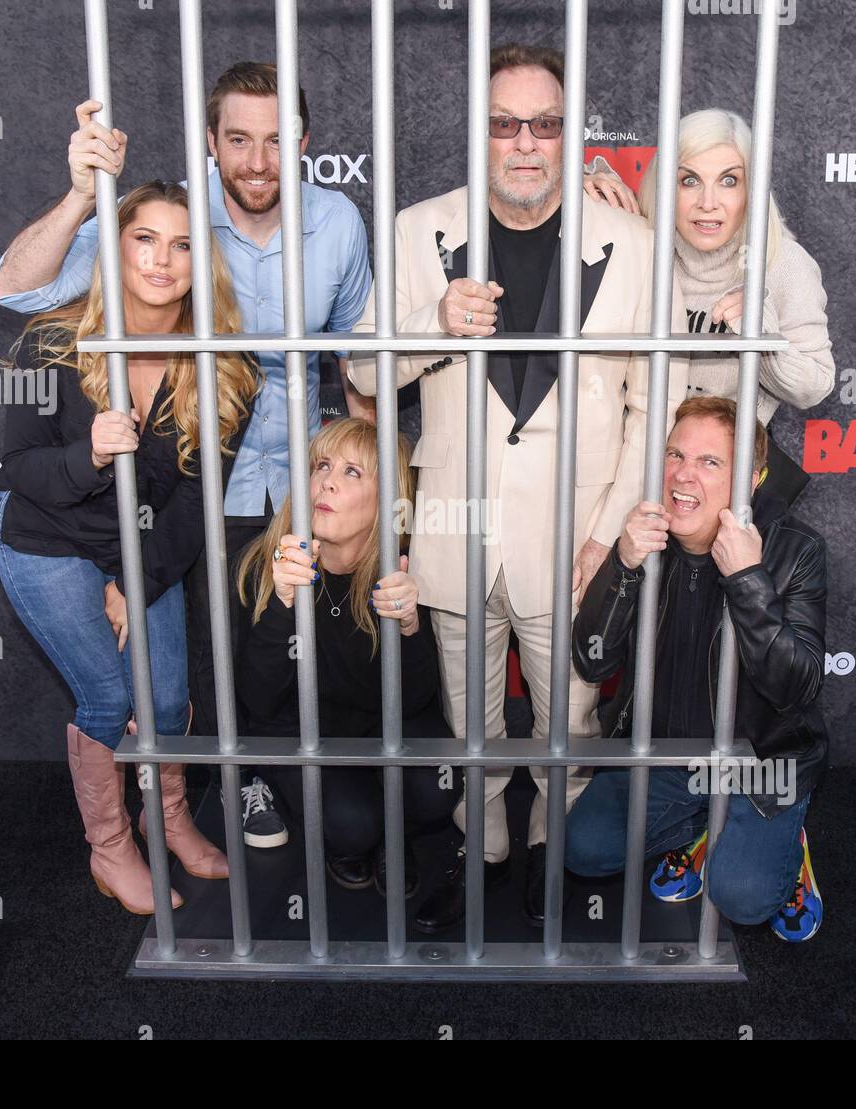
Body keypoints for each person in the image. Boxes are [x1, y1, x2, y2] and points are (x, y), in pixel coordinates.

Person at [348, 44, 692, 933]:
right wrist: (432, 325)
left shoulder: (638, 244)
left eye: (544, 124)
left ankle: (549, 844)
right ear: (479, 135)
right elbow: (360, 368)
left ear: (568, 133)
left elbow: (654, 403)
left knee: (566, 728)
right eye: (506, 124)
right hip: (456, 532)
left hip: (574, 537)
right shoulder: (416, 229)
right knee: (471, 726)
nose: (526, 143)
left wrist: (609, 532)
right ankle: (484, 845)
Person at [0, 63, 376, 843]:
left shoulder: (337, 222)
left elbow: (357, 358)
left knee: (288, 647)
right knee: (219, 660)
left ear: (302, 142)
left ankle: (302, 789)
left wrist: (372, 475)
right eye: (238, 139)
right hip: (188, 487)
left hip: (295, 476)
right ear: (210, 141)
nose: (258, 161)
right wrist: (77, 195)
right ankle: (242, 788)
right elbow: (15, 291)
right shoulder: (168, 218)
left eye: (275, 140)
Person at [0, 181, 260, 915]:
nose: (163, 260)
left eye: (182, 245)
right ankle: (110, 849)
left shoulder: (228, 365)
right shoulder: (54, 340)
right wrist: (92, 458)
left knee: (168, 699)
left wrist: (130, 584)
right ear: (115, 248)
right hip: (45, 532)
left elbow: (196, 501)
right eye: (146, 240)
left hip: (141, 541)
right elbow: (18, 471)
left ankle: (166, 818)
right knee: (108, 696)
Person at [566, 396, 827, 942]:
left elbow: (798, 687)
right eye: (674, 454)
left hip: (759, 768)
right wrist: (622, 565)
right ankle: (701, 829)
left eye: (710, 462)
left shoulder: (793, 549)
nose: (683, 474)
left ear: (752, 480)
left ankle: (781, 844)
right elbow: (591, 659)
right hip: (666, 756)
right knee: (583, 850)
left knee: (743, 898)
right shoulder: (647, 541)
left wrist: (749, 580)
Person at [233, 419, 457, 894]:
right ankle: (353, 830)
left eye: (353, 472)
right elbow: (257, 700)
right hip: (301, 726)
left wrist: (411, 627)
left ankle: (393, 834)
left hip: (376, 722)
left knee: (438, 787)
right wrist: (280, 606)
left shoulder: (402, 569)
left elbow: (417, 701)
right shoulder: (265, 561)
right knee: (352, 826)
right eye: (322, 466)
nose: (327, 481)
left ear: (386, 501)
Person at [584, 107, 834, 505]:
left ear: (751, 190)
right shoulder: (639, 246)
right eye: (689, 181)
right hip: (624, 475)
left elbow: (813, 387)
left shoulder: (782, 263)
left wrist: (761, 336)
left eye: (729, 181)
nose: (708, 203)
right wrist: (580, 196)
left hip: (718, 491)